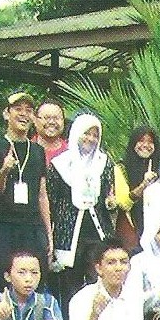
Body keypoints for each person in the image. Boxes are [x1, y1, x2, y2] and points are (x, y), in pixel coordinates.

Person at [0, 92, 53, 289]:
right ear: (6, 114)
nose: (24, 114)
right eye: (18, 109)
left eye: (28, 111)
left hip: (31, 227)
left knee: (33, 282)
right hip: (2, 227)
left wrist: (48, 234)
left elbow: (42, 194)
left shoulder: (38, 150)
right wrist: (4, 170)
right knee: (1, 281)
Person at [47, 113, 117, 300]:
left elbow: (108, 197)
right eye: (86, 134)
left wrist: (111, 203)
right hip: (69, 235)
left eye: (95, 135)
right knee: (71, 286)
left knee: (99, 281)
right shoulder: (59, 165)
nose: (91, 139)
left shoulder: (105, 163)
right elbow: (52, 201)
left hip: (97, 231)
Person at [113, 125, 160, 248]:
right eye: (141, 140)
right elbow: (124, 203)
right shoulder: (121, 169)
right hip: (130, 232)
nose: (146, 145)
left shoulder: (159, 172)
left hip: (155, 234)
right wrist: (144, 185)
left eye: (150, 142)